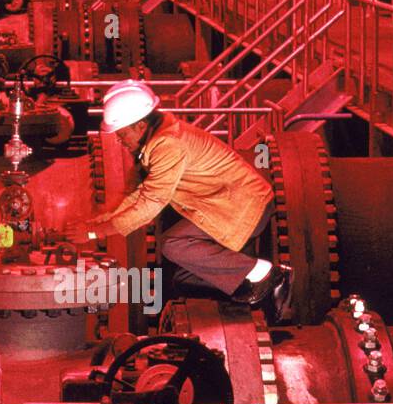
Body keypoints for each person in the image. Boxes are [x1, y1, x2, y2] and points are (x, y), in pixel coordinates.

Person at [62, 80, 293, 316]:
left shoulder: (168, 146)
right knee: (182, 276)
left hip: (243, 207)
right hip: (221, 206)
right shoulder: (157, 139)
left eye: (122, 135)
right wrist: (96, 223)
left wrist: (95, 233)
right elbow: (139, 195)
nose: (120, 142)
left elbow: (150, 203)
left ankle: (267, 275)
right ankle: (253, 291)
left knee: (174, 244)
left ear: (140, 126)